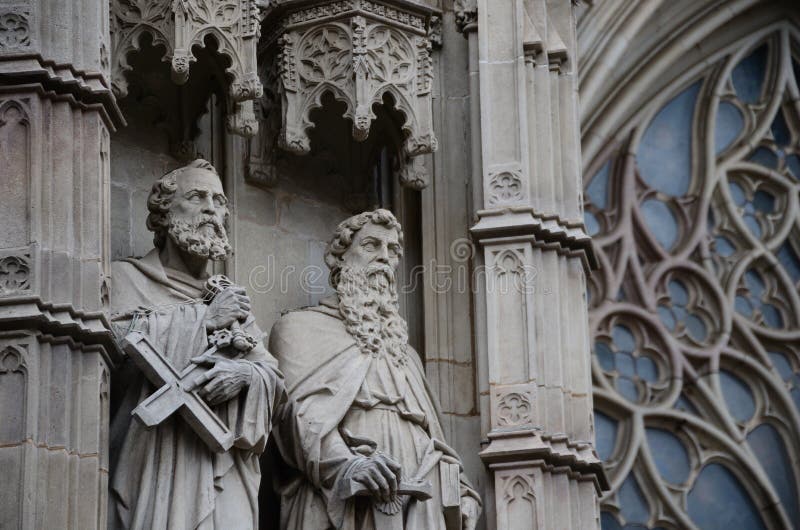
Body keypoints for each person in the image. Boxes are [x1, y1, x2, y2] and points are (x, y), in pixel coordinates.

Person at [270, 209, 481, 530]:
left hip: (424, 501)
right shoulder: (299, 328)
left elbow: (435, 440)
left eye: (392, 250)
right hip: (352, 494)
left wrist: (462, 491)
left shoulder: (406, 354)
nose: (384, 257)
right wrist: (348, 465)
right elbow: (296, 418)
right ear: (339, 258)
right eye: (371, 245)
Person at [108, 159, 284, 530]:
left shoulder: (229, 298)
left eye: (219, 201)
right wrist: (204, 320)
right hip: (160, 459)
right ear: (164, 214)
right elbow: (119, 345)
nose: (212, 209)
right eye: (197, 196)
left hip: (225, 465)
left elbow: (274, 381)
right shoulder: (125, 279)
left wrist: (243, 375)